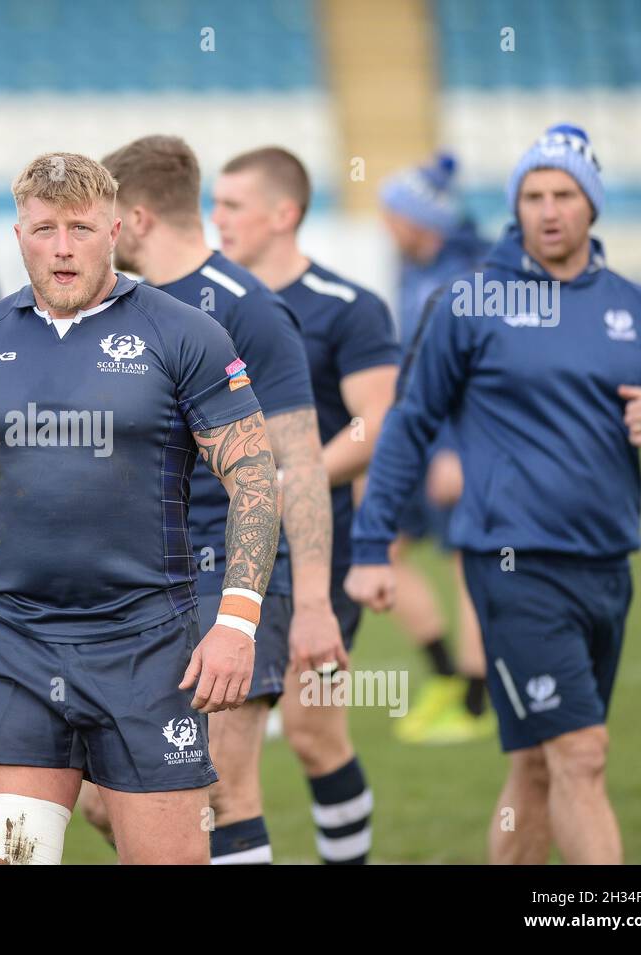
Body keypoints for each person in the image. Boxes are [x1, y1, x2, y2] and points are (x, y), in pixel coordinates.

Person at [0, 151, 281, 864]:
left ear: (115, 229)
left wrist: (237, 621)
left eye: (82, 228)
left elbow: (254, 474)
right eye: (44, 228)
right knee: (11, 859)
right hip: (16, 649)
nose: (62, 247)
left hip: (149, 649)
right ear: (19, 232)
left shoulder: (182, 334)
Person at [347, 124, 641, 863]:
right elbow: (410, 424)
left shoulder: (637, 308)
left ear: (592, 205)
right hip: (513, 564)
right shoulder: (471, 302)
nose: (548, 209)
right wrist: (371, 542)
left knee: (539, 765)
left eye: (564, 194)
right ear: (516, 206)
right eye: (533, 195)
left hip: (607, 562)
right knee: (583, 753)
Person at [91, 136, 351, 864]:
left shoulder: (249, 310)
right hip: (135, 585)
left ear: (137, 218)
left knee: (220, 790)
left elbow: (297, 466)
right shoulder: (114, 307)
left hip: (231, 574)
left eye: (108, 218)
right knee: (105, 798)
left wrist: (314, 605)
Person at [210, 145, 401, 863]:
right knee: (213, 743)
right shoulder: (207, 304)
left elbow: (376, 422)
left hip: (316, 547)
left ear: (283, 213)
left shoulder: (348, 307)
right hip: (217, 550)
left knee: (314, 732)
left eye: (233, 205)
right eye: (215, 202)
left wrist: (291, 476)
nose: (217, 218)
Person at [379, 153, 493, 743]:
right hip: (417, 437)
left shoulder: (467, 274)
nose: (383, 221)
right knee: (382, 550)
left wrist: (454, 449)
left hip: (457, 444)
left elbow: (468, 372)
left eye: (391, 211)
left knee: (464, 562)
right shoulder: (411, 264)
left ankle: (474, 703)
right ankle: (446, 676)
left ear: (417, 217)